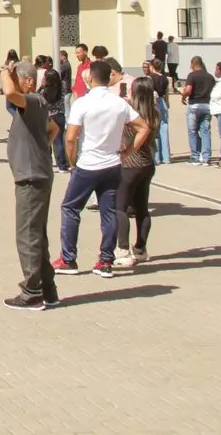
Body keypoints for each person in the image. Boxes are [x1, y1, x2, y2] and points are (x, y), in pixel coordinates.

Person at [53, 59, 137, 278]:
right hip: (112, 165)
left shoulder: (83, 103)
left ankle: (68, 259)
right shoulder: (119, 103)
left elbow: (70, 138)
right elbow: (144, 126)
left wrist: (72, 163)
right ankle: (105, 261)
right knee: (108, 212)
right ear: (110, 77)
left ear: (90, 77)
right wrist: (128, 150)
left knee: (70, 208)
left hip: (88, 164)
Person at [0, 59, 59, 310]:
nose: (13, 83)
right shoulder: (35, 106)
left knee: (27, 236)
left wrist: (3, 72)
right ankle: (48, 289)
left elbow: (9, 92)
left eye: (17, 78)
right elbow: (53, 128)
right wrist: (41, 146)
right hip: (34, 174)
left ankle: (32, 292)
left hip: (31, 179)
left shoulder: (33, 100)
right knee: (37, 235)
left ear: (30, 81)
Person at [114, 78, 158, 270]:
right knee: (141, 208)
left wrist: (126, 151)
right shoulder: (153, 112)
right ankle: (140, 248)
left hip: (129, 164)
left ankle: (123, 249)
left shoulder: (130, 112)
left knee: (120, 207)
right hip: (147, 163)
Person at [181, 55, 215, 166]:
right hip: (207, 105)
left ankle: (195, 156)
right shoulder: (210, 76)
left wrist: (183, 96)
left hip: (194, 106)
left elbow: (189, 90)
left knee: (193, 131)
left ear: (193, 64)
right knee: (206, 132)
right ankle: (206, 158)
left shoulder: (192, 76)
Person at [37, 54, 69, 172]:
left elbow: (39, 99)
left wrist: (41, 86)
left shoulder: (44, 91)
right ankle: (62, 165)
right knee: (59, 141)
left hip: (48, 117)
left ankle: (48, 163)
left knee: (47, 141)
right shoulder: (62, 87)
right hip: (60, 115)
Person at [145, 59, 172, 165]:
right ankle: (166, 157)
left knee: (155, 131)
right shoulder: (165, 78)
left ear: (152, 67)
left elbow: (149, 92)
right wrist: (167, 103)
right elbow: (166, 93)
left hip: (154, 102)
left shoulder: (150, 78)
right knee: (164, 130)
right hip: (162, 102)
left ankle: (156, 158)